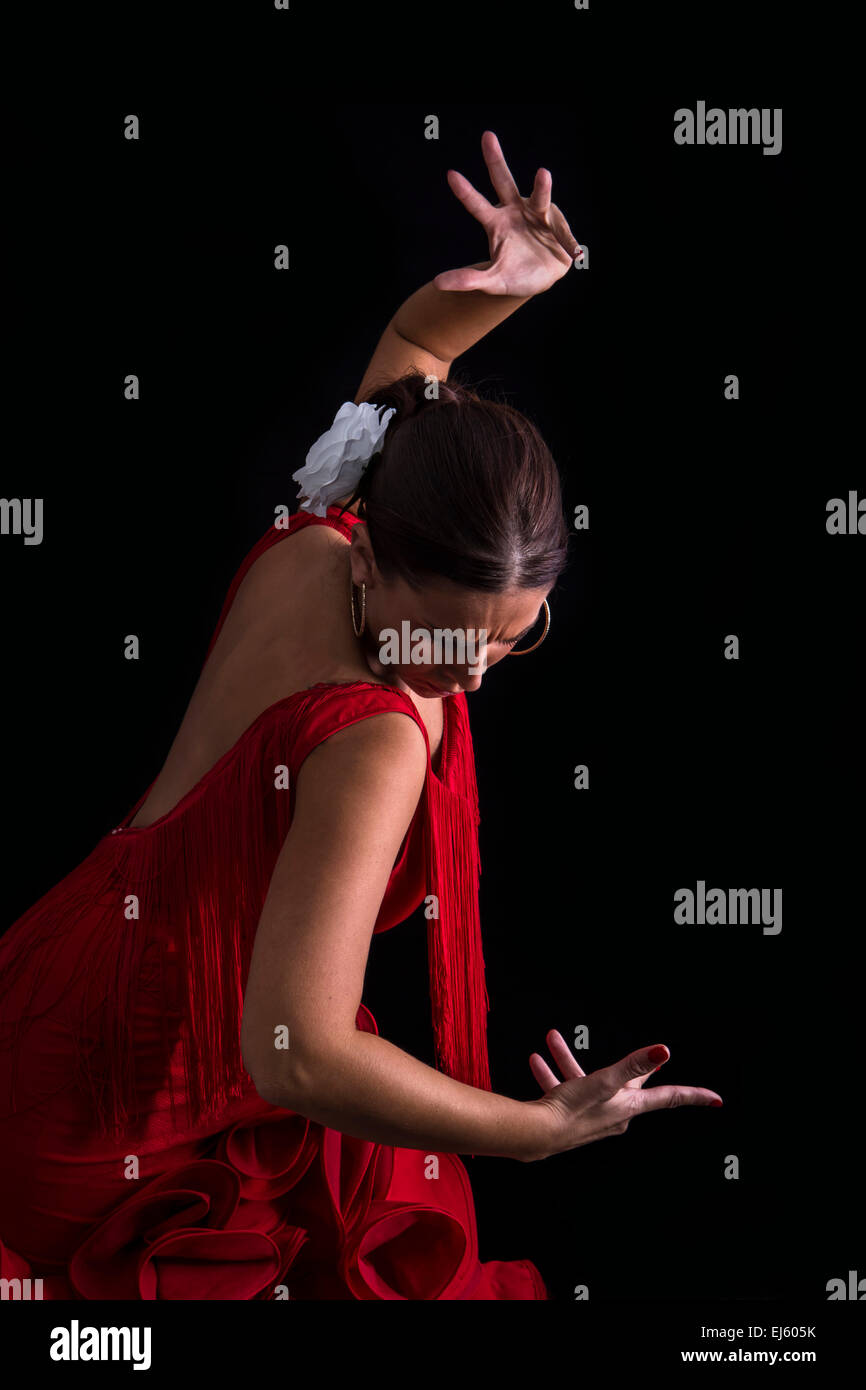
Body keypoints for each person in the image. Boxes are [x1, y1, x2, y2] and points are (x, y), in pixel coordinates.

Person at [0, 131, 721, 1302]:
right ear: (378, 553)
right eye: (445, 637)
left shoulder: (328, 521)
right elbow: (292, 1051)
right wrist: (525, 1130)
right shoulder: (375, 737)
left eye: (510, 635)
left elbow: (420, 348)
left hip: (61, 974)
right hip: (126, 1094)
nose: (474, 675)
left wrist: (518, 279)